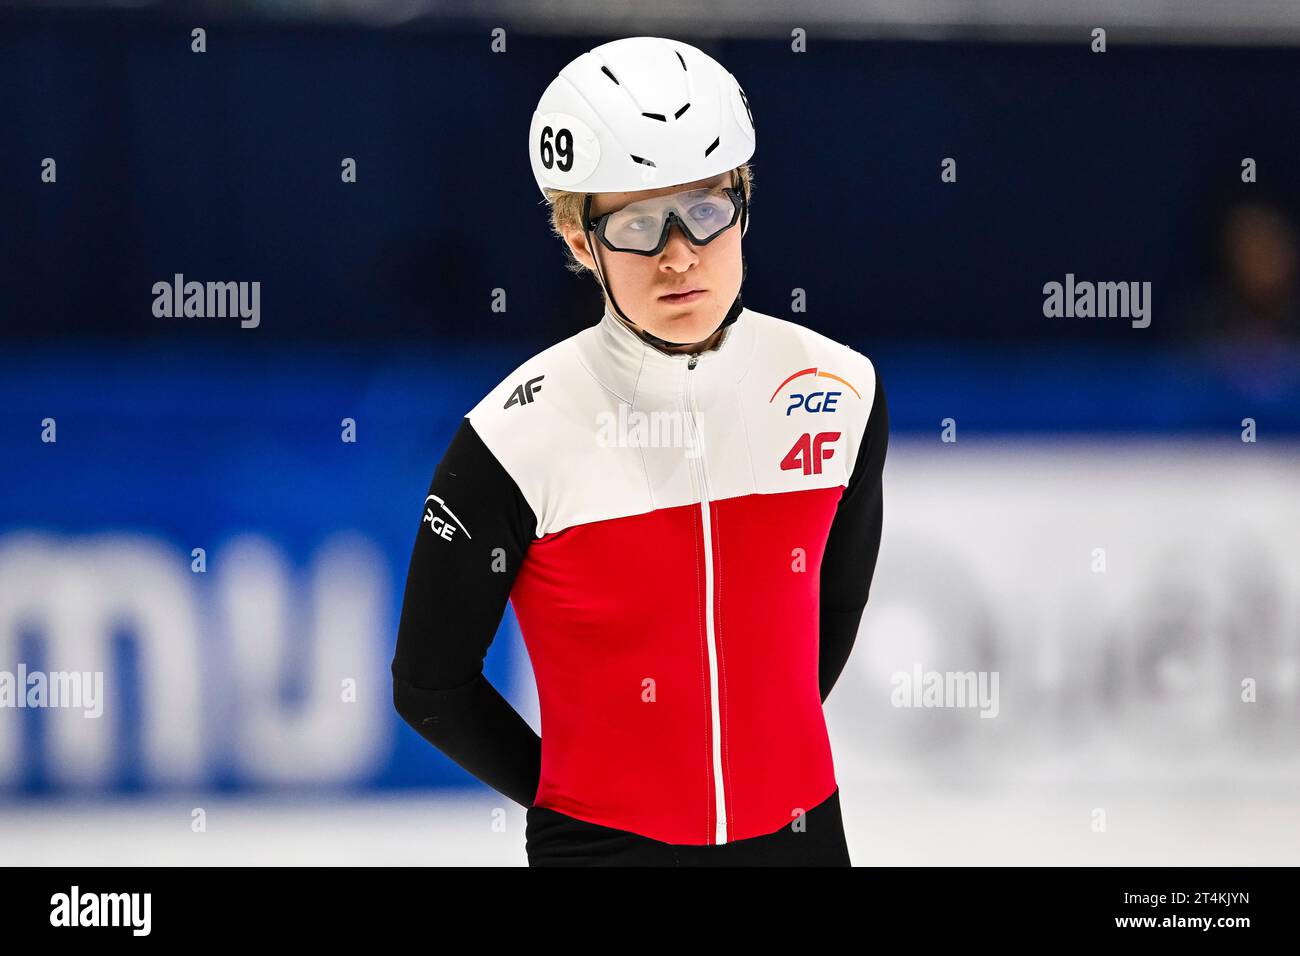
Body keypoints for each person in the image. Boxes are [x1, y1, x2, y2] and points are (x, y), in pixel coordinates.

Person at [391, 36, 889, 866]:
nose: (679, 254)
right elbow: (430, 686)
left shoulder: (842, 388)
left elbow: (832, 617)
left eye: (703, 210)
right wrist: (584, 802)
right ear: (581, 242)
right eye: (635, 225)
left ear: (743, 202)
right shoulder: (514, 436)